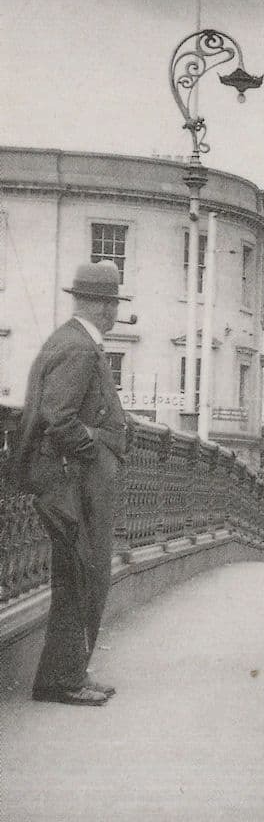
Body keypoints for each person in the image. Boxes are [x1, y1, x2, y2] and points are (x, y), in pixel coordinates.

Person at [12, 262, 130, 706]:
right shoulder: (80, 348)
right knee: (83, 577)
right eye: (113, 304)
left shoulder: (69, 339)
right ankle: (64, 680)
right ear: (105, 308)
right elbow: (58, 417)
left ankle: (67, 673)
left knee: (77, 579)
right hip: (70, 484)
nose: (114, 312)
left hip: (66, 480)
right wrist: (95, 448)